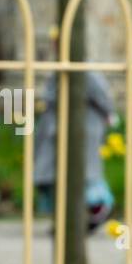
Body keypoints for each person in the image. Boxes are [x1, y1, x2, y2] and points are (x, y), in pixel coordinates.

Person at [32, 57, 116, 232]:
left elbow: (102, 98)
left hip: (82, 130)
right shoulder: (60, 66)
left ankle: (98, 207)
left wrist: (109, 114)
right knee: (57, 176)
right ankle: (67, 220)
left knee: (85, 174)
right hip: (56, 131)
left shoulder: (85, 69)